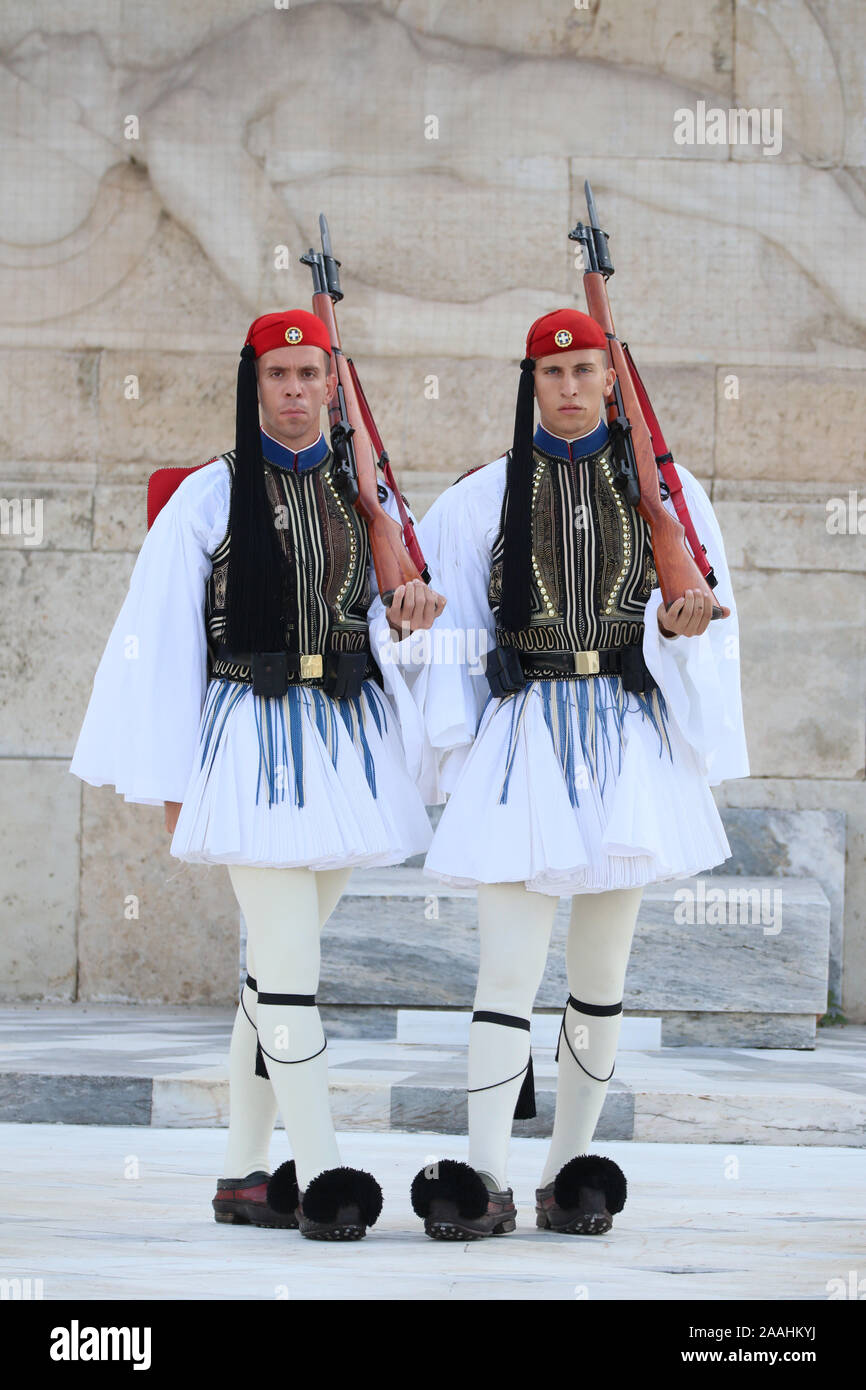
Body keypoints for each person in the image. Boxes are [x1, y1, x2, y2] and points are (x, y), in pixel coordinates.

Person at [69, 308, 445, 1240]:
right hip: (252, 739)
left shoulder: (372, 499)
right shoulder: (209, 494)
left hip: (348, 743)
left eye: (309, 374)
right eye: (276, 375)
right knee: (290, 975)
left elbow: (402, 627)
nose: (293, 390)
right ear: (255, 384)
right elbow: (157, 650)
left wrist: (414, 613)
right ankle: (322, 1177)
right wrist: (174, 783)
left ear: (331, 384)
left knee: (272, 975)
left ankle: (242, 1174)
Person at [395, 308, 749, 1238]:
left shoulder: (667, 492)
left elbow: (709, 616)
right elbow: (448, 626)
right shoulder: (483, 496)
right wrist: (418, 624)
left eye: (586, 369)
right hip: (526, 745)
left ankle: (569, 1172)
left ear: (610, 378)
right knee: (504, 973)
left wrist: (680, 629)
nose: (568, 386)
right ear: (532, 383)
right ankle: (480, 1178)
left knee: (600, 974)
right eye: (552, 374)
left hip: (625, 745)